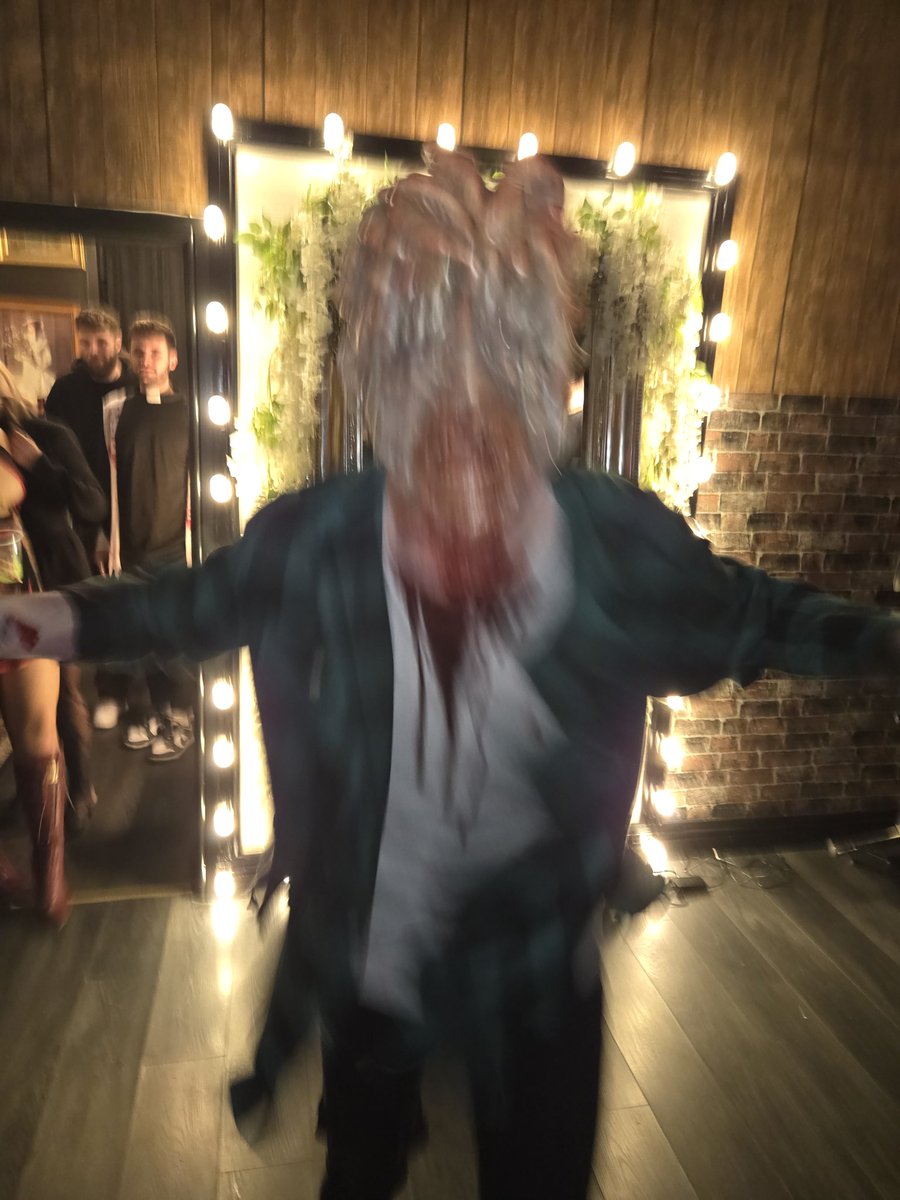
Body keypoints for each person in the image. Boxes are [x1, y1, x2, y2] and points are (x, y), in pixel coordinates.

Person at [0, 151, 898, 1198]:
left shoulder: (612, 549)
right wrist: (32, 619)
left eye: (500, 375)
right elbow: (186, 602)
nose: (467, 412)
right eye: (432, 375)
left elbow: (765, 616)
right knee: (361, 1168)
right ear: (386, 384)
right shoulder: (322, 541)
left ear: (545, 385)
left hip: (538, 973)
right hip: (373, 950)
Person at [0, 362, 107, 833]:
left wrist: (37, 464)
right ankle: (39, 792)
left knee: (63, 696)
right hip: (11, 587)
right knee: (20, 711)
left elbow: (91, 502)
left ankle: (79, 790)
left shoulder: (46, 434)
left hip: (54, 580)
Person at [99, 313, 194, 761]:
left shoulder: (192, 413)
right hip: (133, 546)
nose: (145, 360)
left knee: (174, 640)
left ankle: (183, 719)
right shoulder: (117, 411)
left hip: (176, 544)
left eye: (155, 352)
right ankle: (158, 712)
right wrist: (110, 540)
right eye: (138, 352)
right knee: (144, 636)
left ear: (172, 359)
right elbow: (111, 479)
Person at [0, 370, 73, 926]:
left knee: (39, 734)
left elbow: (70, 495)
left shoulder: (19, 429)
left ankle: (50, 875)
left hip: (17, 597)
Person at [44, 305, 136, 733]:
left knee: (130, 600)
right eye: (85, 342)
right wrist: (91, 524)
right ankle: (103, 691)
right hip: (80, 513)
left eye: (101, 342)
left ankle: (129, 688)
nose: (93, 350)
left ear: (118, 341)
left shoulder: (138, 385)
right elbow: (55, 457)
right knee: (94, 603)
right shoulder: (64, 391)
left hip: (134, 507)